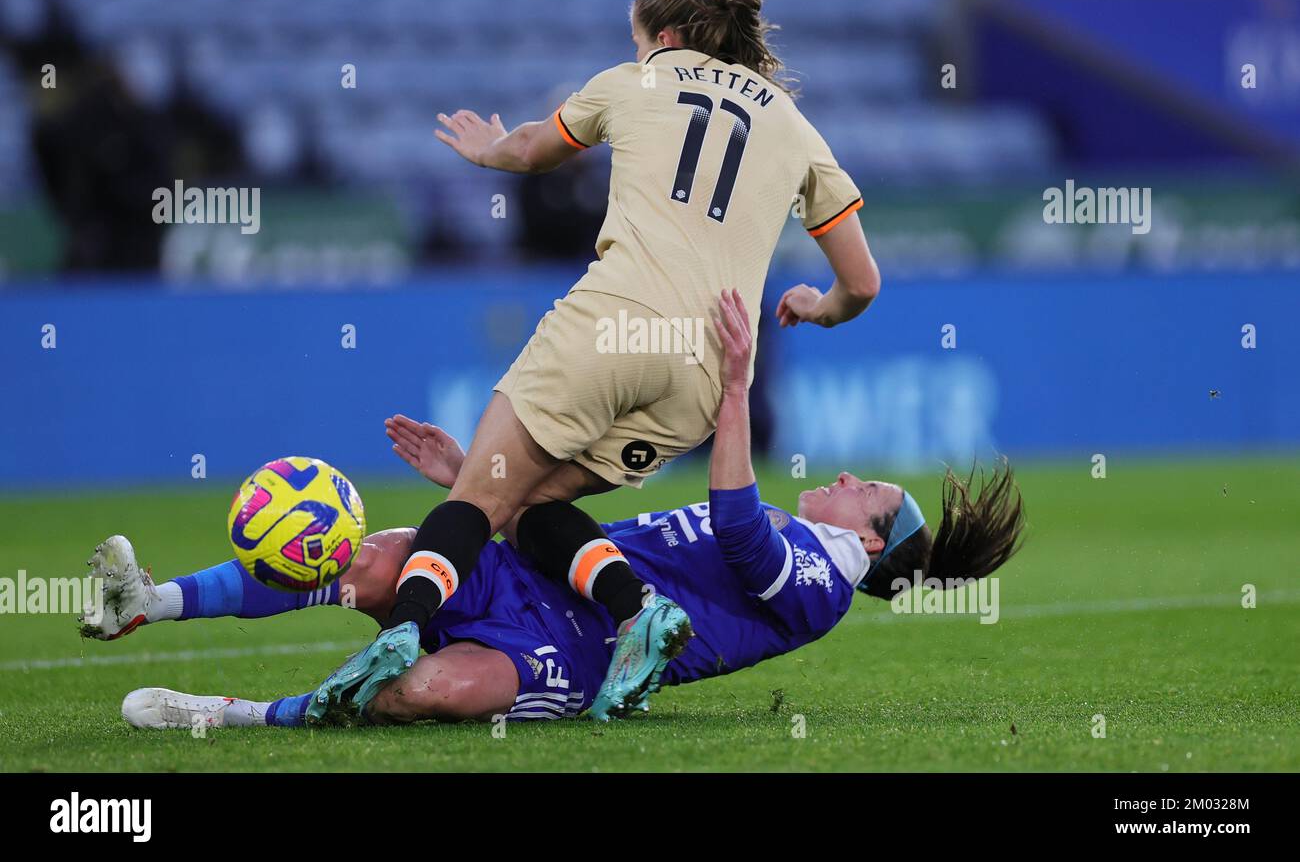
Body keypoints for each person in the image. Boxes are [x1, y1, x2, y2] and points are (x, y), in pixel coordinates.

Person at [84, 293, 1023, 729]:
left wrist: (736, 389)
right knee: (362, 564)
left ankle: (228, 714)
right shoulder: (797, 530)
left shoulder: (823, 580)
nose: (853, 476)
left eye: (870, 492)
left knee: (428, 691)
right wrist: (473, 491)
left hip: (572, 652)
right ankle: (147, 603)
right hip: (541, 569)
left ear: (870, 538)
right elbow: (565, 519)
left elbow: (731, 525)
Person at [371, 0, 882, 718]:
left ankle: (402, 634)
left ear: (667, 36)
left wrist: (489, 147)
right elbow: (864, 282)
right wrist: (817, 306)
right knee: (535, 505)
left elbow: (532, 153)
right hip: (704, 377)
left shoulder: (633, 82)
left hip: (613, 325)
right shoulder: (796, 125)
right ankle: (640, 611)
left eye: (640, 40)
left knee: (483, 497)